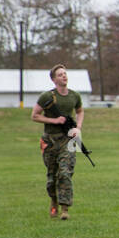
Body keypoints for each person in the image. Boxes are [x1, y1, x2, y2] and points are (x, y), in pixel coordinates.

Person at [31, 63, 84, 221]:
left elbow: (80, 111)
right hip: (50, 140)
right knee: (52, 177)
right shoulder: (47, 97)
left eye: (65, 73)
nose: (64, 76)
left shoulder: (74, 96)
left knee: (65, 173)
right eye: (60, 74)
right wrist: (54, 120)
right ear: (54, 80)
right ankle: (54, 200)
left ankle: (65, 208)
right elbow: (34, 115)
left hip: (68, 140)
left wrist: (78, 127)